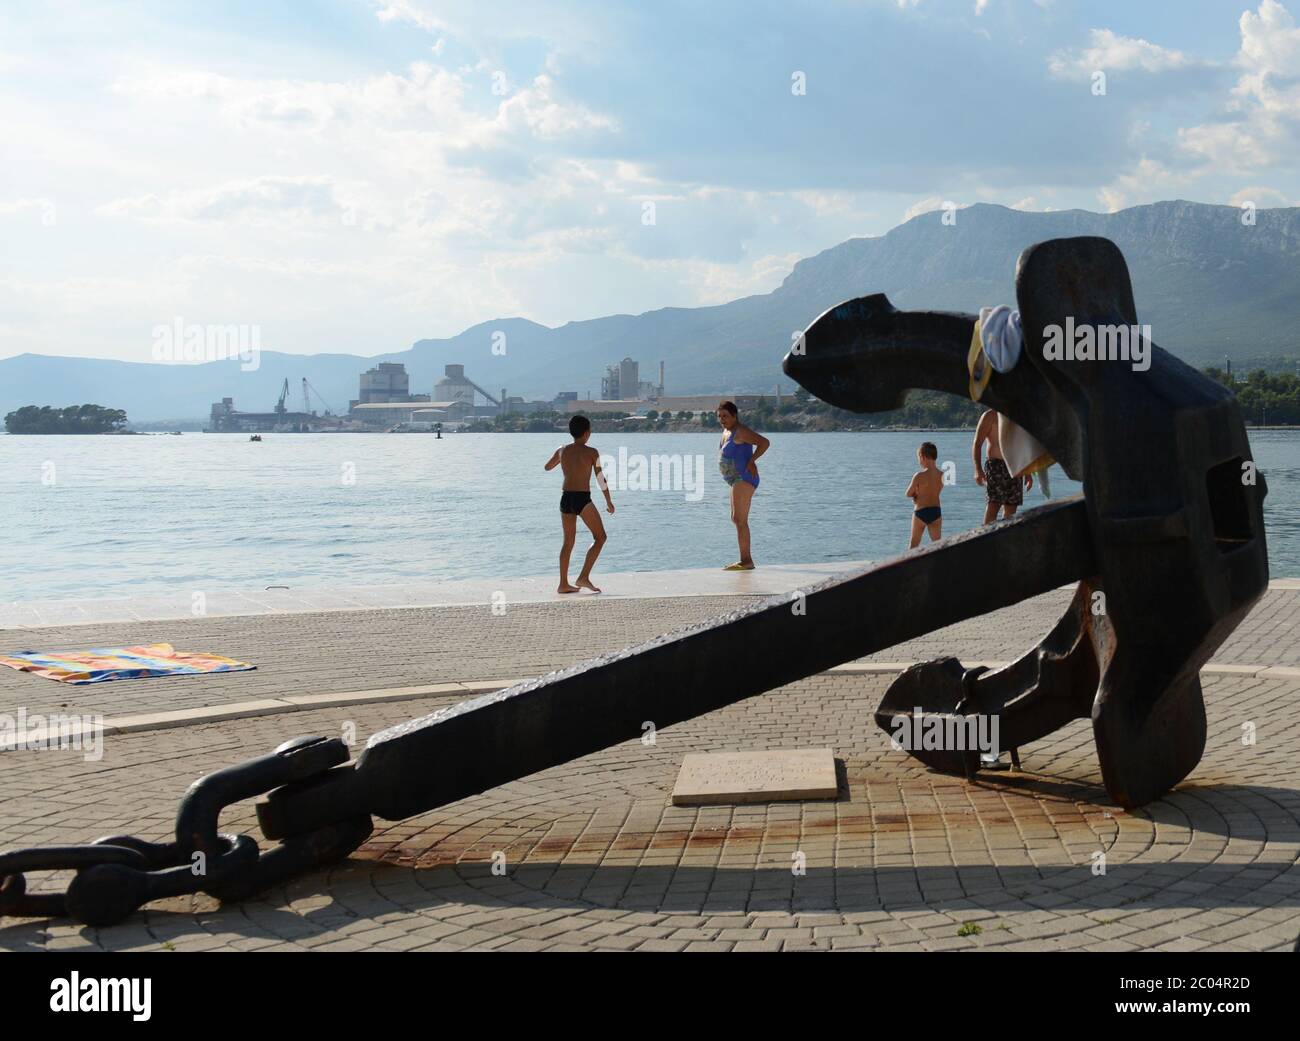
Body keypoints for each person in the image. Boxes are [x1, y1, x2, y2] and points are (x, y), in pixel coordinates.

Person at [544, 415, 614, 593]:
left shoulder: (562, 450)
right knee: (600, 538)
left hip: (566, 497)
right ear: (586, 433)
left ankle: (563, 584)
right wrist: (608, 501)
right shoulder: (592, 452)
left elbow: (547, 467)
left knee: (568, 543)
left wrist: (563, 458)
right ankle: (583, 577)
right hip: (582, 499)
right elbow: (600, 478)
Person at [716, 400, 769, 571]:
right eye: (719, 416)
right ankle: (745, 559)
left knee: (740, 520)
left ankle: (746, 561)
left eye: (725, 416)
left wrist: (752, 460)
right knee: (735, 518)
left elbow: (764, 442)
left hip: (744, 478)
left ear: (734, 415)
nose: (722, 419)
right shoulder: (726, 431)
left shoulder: (741, 431)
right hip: (734, 480)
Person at [973, 408, 1032, 523]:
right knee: (993, 504)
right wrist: (978, 469)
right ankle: (986, 537)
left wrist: (1028, 472)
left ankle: (1005, 537)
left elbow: (1022, 445)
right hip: (996, 466)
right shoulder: (990, 416)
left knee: (1011, 507)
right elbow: (977, 443)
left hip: (1016, 465)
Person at [906, 441, 944, 548]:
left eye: (918, 458)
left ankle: (910, 564)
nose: (919, 461)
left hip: (920, 511)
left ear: (922, 457)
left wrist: (916, 494)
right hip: (936, 511)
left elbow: (908, 493)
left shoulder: (919, 475)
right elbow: (935, 492)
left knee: (914, 545)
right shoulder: (942, 475)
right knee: (937, 545)